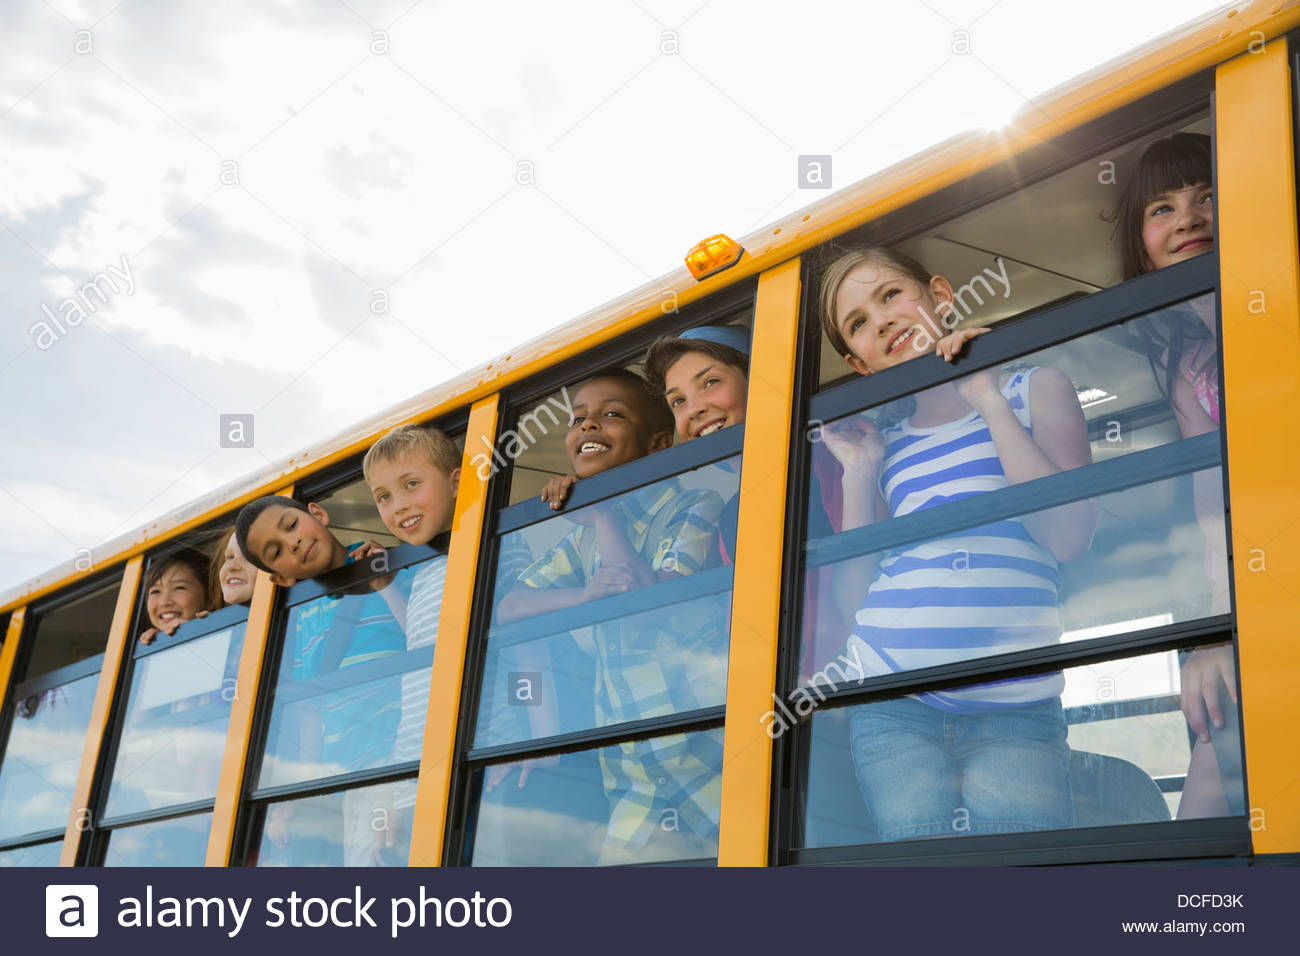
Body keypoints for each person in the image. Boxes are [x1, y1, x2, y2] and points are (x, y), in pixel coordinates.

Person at [818, 245, 1097, 841]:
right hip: (892, 701)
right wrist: (861, 473)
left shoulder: (1034, 389)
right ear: (859, 363)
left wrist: (988, 400)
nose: (882, 320)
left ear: (941, 296)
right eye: (859, 323)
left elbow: (1069, 535)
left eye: (890, 295)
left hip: (1017, 706)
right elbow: (854, 601)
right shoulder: (885, 446)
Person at [496, 368, 727, 863]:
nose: (589, 426)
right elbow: (511, 607)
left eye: (611, 415)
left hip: (712, 760)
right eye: (578, 419)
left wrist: (601, 514)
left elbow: (646, 612)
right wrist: (582, 597)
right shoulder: (581, 540)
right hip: (631, 778)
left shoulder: (692, 506)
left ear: (658, 446)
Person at [1113, 131, 1238, 818]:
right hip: (1252, 591)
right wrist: (1220, 630)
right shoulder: (1186, 363)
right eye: (1161, 208)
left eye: (1208, 196)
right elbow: (1208, 504)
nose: (1188, 217)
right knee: (1214, 776)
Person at [235, 495, 411, 864]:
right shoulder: (301, 617)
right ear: (280, 578)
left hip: (394, 758)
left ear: (317, 513)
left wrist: (384, 584)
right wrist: (299, 792)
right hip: (342, 777)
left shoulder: (393, 565)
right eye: (276, 549)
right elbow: (310, 710)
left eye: (292, 525)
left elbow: (428, 639)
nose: (293, 542)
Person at [644, 325, 749, 563]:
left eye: (710, 382)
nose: (693, 409)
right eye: (678, 401)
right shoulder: (732, 515)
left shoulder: (824, 464)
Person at [138, 548, 212, 645]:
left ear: (210, 598)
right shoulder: (149, 643)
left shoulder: (226, 634)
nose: (164, 602)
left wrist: (206, 628)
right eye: (155, 591)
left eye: (179, 588)